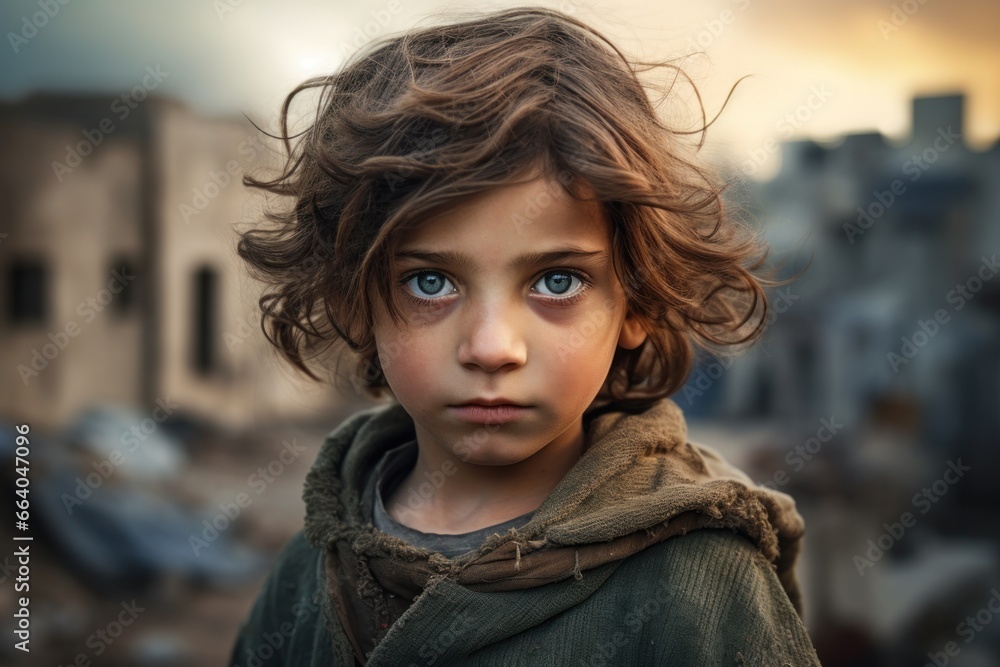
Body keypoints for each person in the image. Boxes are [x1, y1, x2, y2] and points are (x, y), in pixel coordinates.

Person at [229, 6, 821, 666]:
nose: (491, 347)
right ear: (355, 298)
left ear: (638, 300)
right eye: (430, 282)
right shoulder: (314, 562)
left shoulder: (700, 586)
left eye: (558, 281)